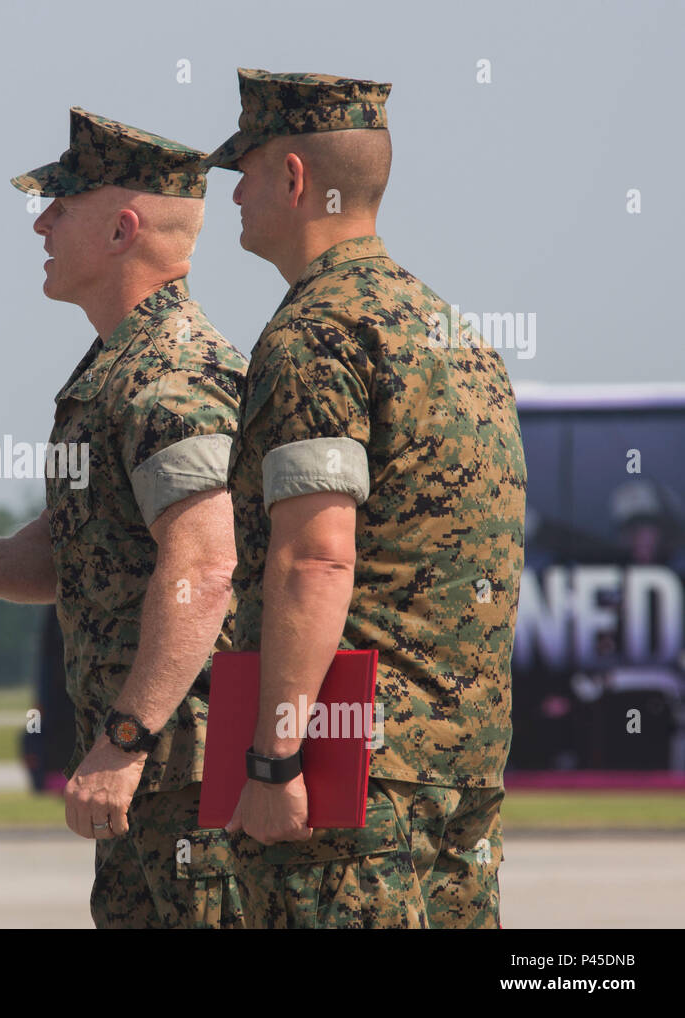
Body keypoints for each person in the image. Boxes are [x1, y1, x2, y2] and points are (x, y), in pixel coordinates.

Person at [0, 108, 250, 928]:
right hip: (156, 767)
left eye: (61, 205)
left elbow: (204, 565)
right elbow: (78, 548)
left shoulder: (173, 376)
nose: (41, 222)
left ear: (121, 230)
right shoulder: (121, 369)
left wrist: (127, 740)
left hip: (187, 764)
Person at [205, 69, 527, 928]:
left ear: (294, 177)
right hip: (459, 761)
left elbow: (317, 556)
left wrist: (274, 758)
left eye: (244, 165)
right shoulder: (456, 335)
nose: (232, 191)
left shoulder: (317, 333)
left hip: (349, 772)